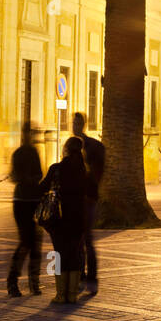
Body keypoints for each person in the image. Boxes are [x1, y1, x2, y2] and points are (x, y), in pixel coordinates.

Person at [39, 136, 88, 304]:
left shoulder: (56, 169)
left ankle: (61, 294)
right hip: (78, 219)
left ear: (65, 150)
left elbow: (41, 188)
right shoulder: (83, 170)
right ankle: (72, 294)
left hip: (59, 220)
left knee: (59, 255)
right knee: (74, 254)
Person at [6, 122, 44, 297]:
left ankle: (34, 283)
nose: (31, 136)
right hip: (22, 200)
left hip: (34, 200)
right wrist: (25, 178)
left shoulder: (34, 153)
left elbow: (40, 174)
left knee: (35, 243)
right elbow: (14, 175)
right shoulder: (19, 154)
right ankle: (13, 281)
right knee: (25, 242)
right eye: (29, 133)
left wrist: (34, 178)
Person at [71, 113, 104, 296]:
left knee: (88, 241)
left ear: (84, 124)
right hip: (76, 199)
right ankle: (80, 277)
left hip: (88, 199)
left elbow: (96, 174)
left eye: (77, 122)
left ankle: (91, 278)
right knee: (78, 241)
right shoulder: (72, 146)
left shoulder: (92, 146)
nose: (74, 125)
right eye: (73, 122)